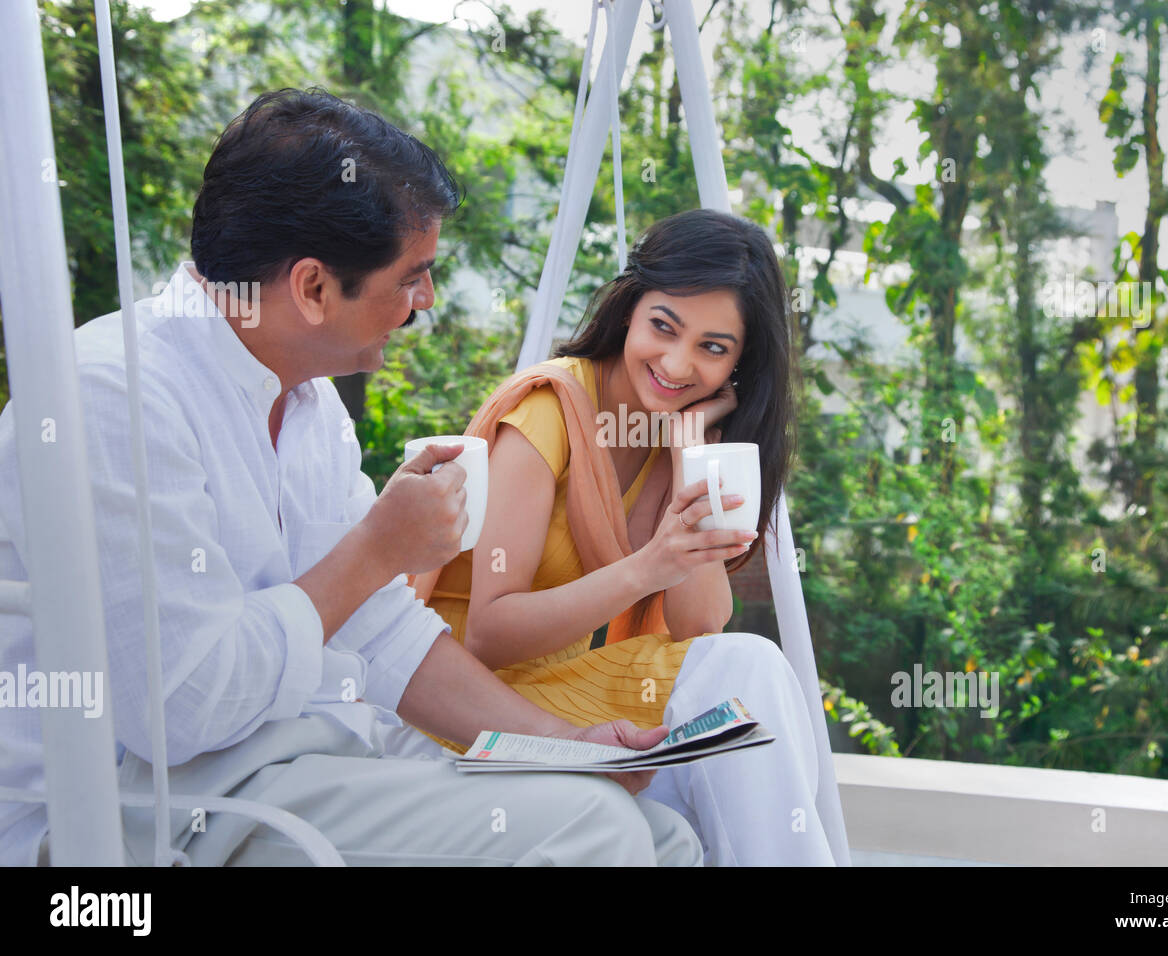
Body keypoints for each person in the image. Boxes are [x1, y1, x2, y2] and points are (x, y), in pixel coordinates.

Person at [0, 88, 703, 867]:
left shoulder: (309, 407)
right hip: (138, 809)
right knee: (595, 831)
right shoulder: (114, 396)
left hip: (297, 763)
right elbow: (181, 713)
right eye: (412, 276)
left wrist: (571, 746)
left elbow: (384, 635)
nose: (425, 300)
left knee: (658, 832)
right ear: (311, 288)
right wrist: (374, 553)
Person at [410, 209, 835, 865]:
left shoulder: (675, 435)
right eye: (664, 327)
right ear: (630, 308)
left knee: (749, 671)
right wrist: (644, 570)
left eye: (712, 348)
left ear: (740, 365)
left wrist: (688, 460)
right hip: (474, 706)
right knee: (748, 672)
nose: (676, 363)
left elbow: (701, 625)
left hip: (584, 695)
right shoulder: (546, 414)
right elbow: (489, 632)